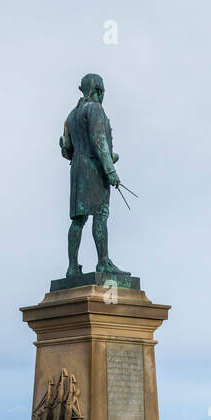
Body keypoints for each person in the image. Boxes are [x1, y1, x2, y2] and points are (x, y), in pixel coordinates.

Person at [60, 73, 124, 277]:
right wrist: (110, 169)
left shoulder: (71, 115)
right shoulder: (95, 109)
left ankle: (72, 267)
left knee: (78, 219)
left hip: (77, 168)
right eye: (101, 91)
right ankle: (103, 262)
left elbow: (67, 150)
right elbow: (100, 143)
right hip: (94, 169)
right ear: (97, 90)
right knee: (100, 215)